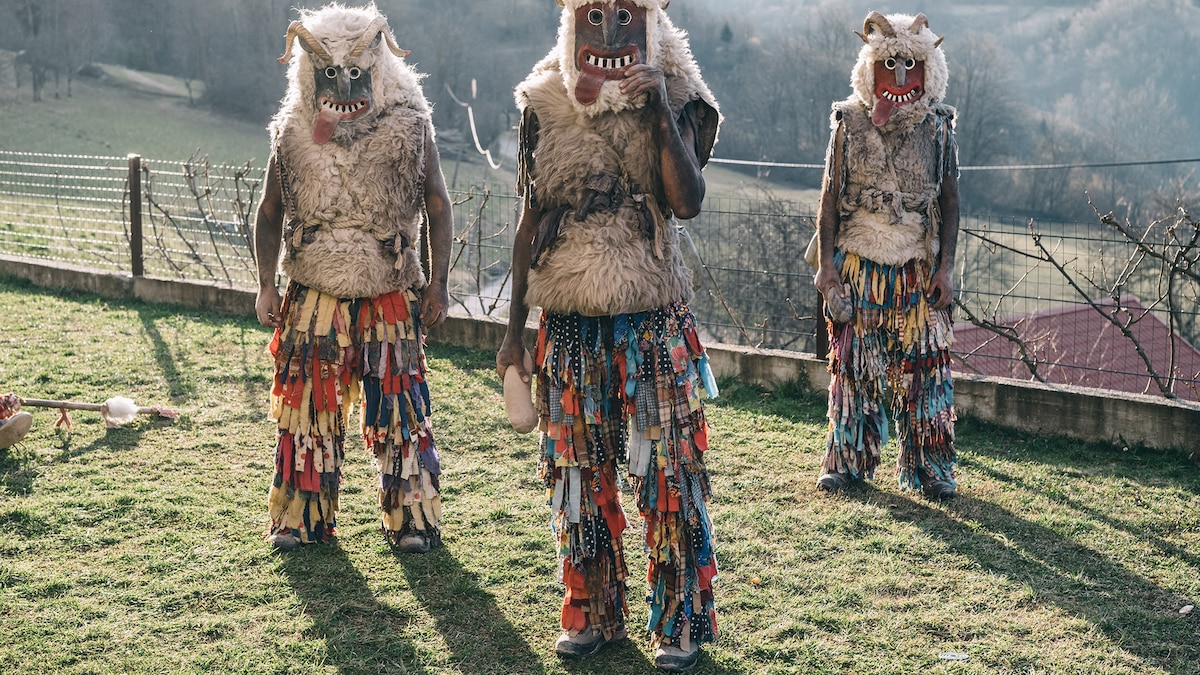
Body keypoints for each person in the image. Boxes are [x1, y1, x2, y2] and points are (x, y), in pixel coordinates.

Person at [496, 1, 722, 671]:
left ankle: (677, 621)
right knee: (577, 474)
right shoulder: (544, 99)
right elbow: (528, 221)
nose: (611, 33)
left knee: (669, 476)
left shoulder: (678, 93)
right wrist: (513, 333)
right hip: (566, 323)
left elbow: (687, 200)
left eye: (625, 15)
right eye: (594, 15)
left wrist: (655, 111)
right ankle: (593, 609)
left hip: (648, 316)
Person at [253, 4, 453, 554]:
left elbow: (437, 203)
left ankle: (413, 519)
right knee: (305, 409)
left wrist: (436, 283)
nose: (343, 86)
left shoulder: (409, 125)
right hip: (313, 290)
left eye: (356, 73)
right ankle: (298, 518)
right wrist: (266, 284)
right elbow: (270, 210)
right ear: (307, 73)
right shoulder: (293, 130)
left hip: (387, 288)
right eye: (329, 74)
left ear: (376, 69)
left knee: (400, 406)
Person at [812, 12, 960, 499]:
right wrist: (828, 271)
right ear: (869, 69)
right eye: (889, 65)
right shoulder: (848, 123)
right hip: (860, 261)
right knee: (854, 367)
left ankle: (931, 465)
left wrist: (945, 268)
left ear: (930, 69)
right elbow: (829, 198)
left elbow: (950, 202)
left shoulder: (939, 129)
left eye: (911, 66)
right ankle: (847, 461)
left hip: (917, 265)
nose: (899, 79)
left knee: (926, 369)